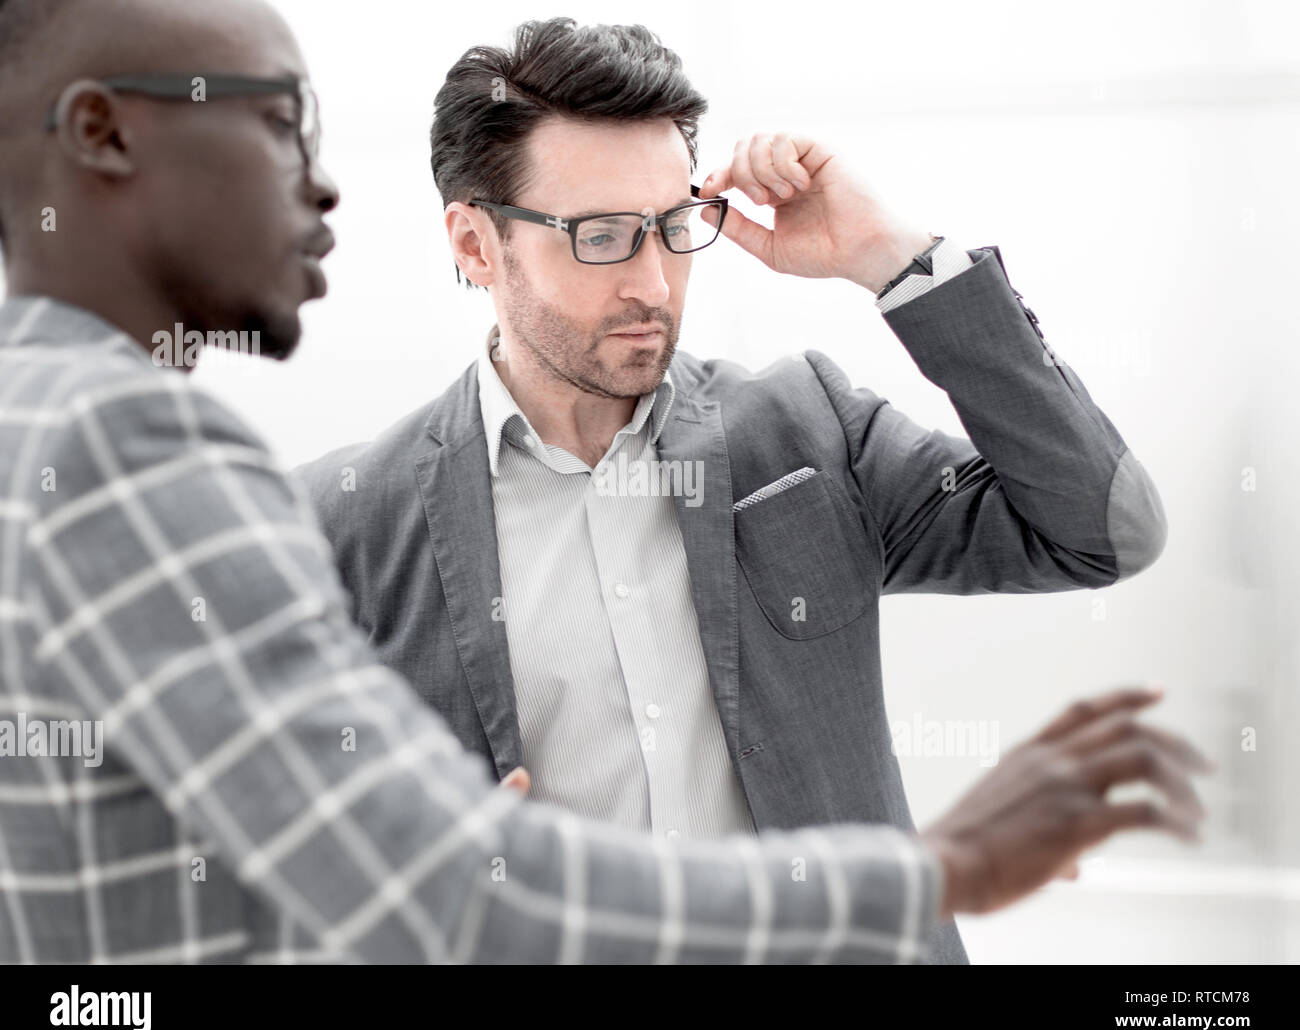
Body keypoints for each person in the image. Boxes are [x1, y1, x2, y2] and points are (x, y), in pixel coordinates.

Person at [0, 0, 1211, 965]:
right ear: (475, 245)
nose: (652, 280)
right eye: (597, 236)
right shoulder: (337, 517)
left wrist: (892, 260)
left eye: (672, 224)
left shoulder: (806, 428)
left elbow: (1103, 531)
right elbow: (307, 862)